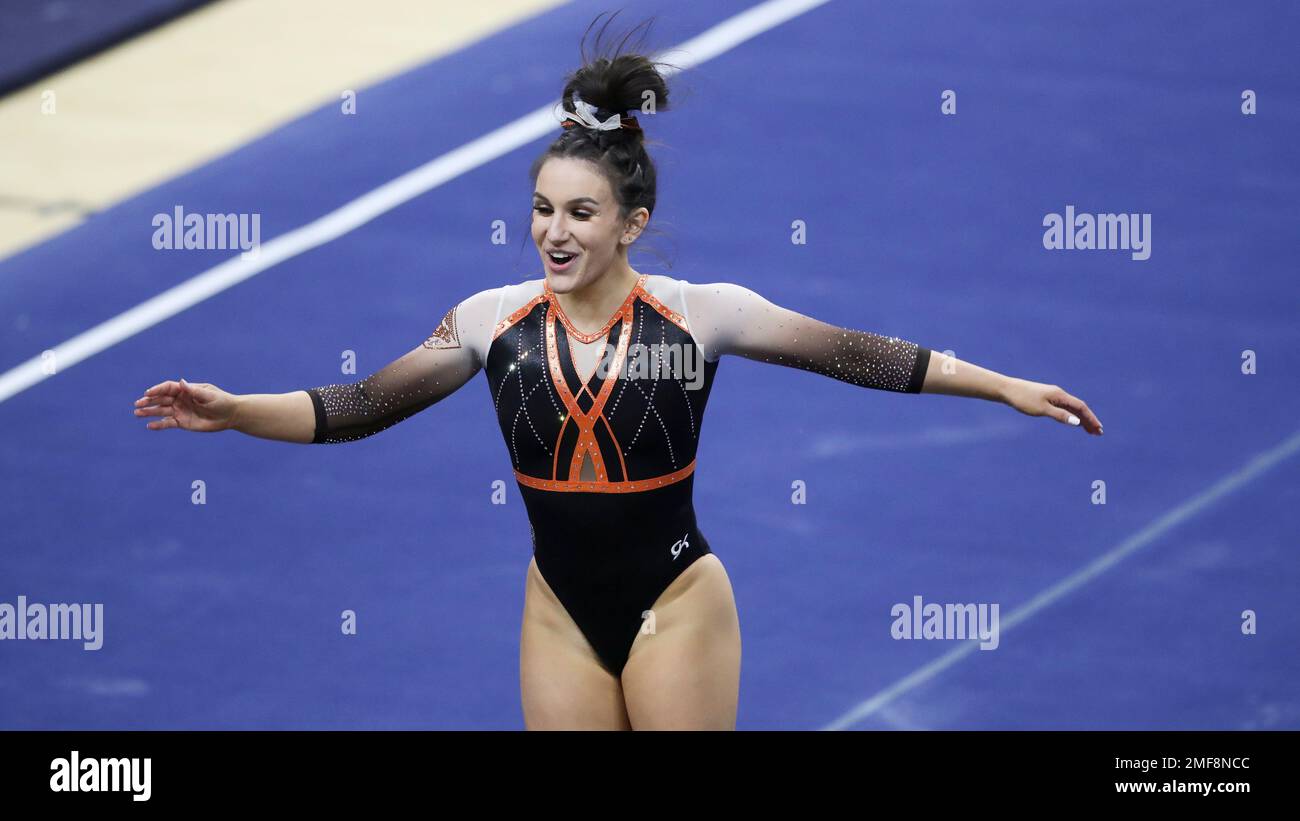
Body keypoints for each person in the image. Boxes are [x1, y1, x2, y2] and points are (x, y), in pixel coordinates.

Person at [132, 21, 1102, 730]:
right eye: (543, 208)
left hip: (674, 598)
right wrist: (233, 410)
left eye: (581, 213)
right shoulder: (488, 321)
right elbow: (357, 406)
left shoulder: (698, 312)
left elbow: (853, 352)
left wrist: (1003, 384)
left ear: (629, 223)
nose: (555, 231)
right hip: (555, 605)